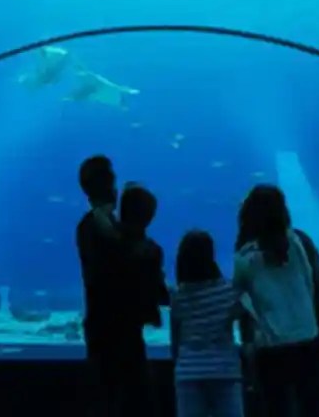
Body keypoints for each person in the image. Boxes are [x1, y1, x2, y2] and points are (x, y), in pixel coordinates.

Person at [233, 185, 319, 417]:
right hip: (308, 339)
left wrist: (248, 347)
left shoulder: (246, 257)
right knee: (313, 409)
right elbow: (313, 285)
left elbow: (241, 305)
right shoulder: (300, 242)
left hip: (272, 348)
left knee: (276, 410)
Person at [75, 155, 155, 417]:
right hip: (117, 329)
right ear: (111, 187)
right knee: (127, 399)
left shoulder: (95, 227)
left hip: (106, 327)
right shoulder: (107, 230)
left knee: (111, 398)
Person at [170, 229, 244, 417]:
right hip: (225, 370)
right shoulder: (229, 292)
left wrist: (177, 364)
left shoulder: (178, 296)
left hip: (188, 372)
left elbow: (176, 339)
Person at [118, 181, 171, 329]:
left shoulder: (106, 243)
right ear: (149, 217)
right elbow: (161, 295)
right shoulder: (151, 251)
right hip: (138, 320)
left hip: (107, 319)